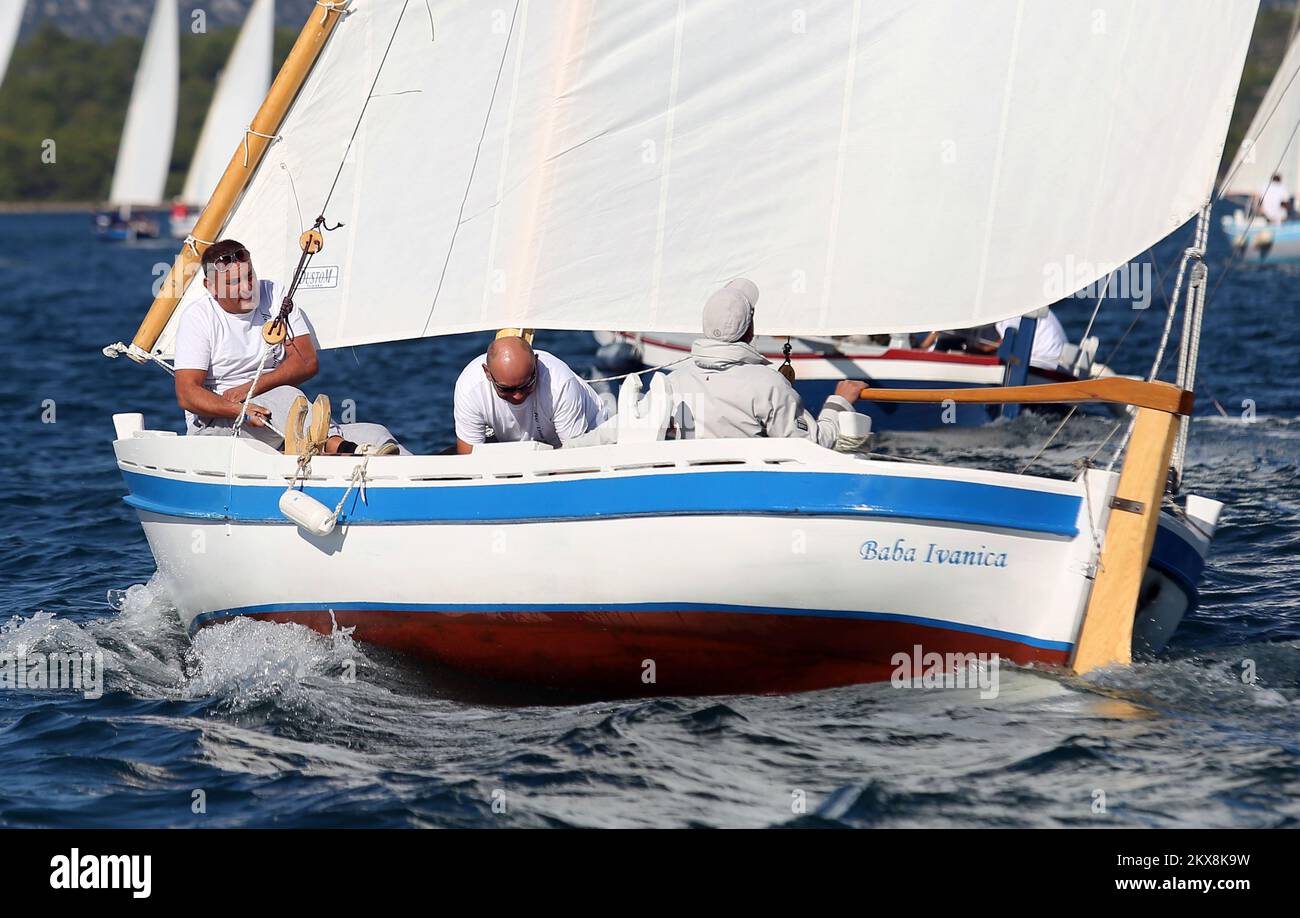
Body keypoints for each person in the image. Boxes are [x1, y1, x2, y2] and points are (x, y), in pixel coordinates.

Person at [172, 239, 404, 454]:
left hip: (275, 416)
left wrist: (249, 389)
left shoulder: (274, 294)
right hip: (220, 426)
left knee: (375, 433)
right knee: (288, 397)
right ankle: (340, 449)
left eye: (250, 276)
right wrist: (240, 409)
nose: (247, 288)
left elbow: (306, 362)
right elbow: (187, 394)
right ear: (210, 286)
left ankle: (426, 476)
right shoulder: (198, 318)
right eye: (234, 282)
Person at [667, 278, 867, 446]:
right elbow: (811, 444)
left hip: (688, 486)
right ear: (750, 329)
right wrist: (839, 402)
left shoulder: (674, 381)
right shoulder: (768, 384)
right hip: (746, 487)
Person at [452, 335, 608, 453]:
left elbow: (575, 457)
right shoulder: (469, 388)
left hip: (586, 439)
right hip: (520, 448)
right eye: (506, 389)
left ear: (536, 362)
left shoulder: (560, 384)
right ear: (488, 373)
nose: (518, 396)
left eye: (526, 384)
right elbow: (470, 459)